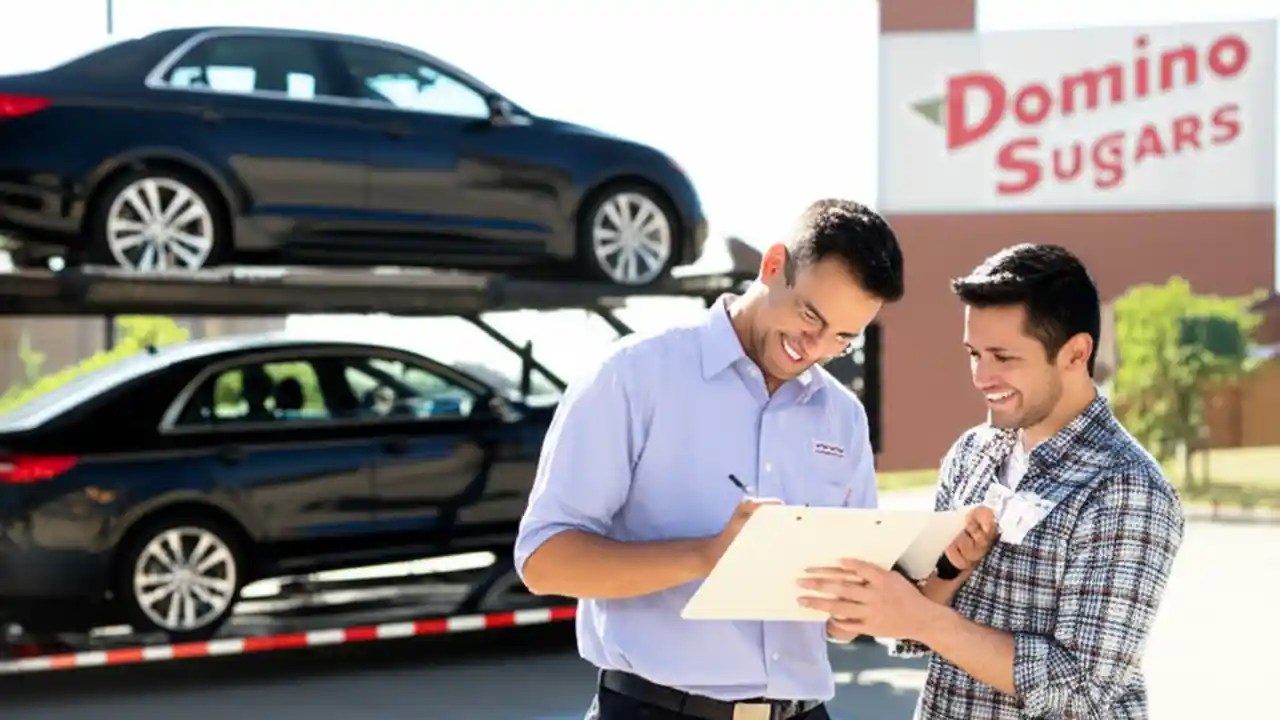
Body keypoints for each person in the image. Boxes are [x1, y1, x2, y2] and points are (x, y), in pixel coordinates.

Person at [514, 198, 919, 720]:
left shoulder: (842, 415)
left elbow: (844, 606)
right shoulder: (634, 375)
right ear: (773, 266)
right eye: (810, 315)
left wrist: (851, 610)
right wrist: (705, 556)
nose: (815, 348)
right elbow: (543, 561)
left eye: (842, 337)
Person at [797, 243, 1186, 719]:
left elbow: (1082, 688)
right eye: (974, 353)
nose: (982, 376)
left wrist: (921, 617)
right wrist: (941, 575)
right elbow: (911, 631)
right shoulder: (972, 453)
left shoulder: (1126, 487)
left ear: (1075, 353)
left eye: (1003, 357)